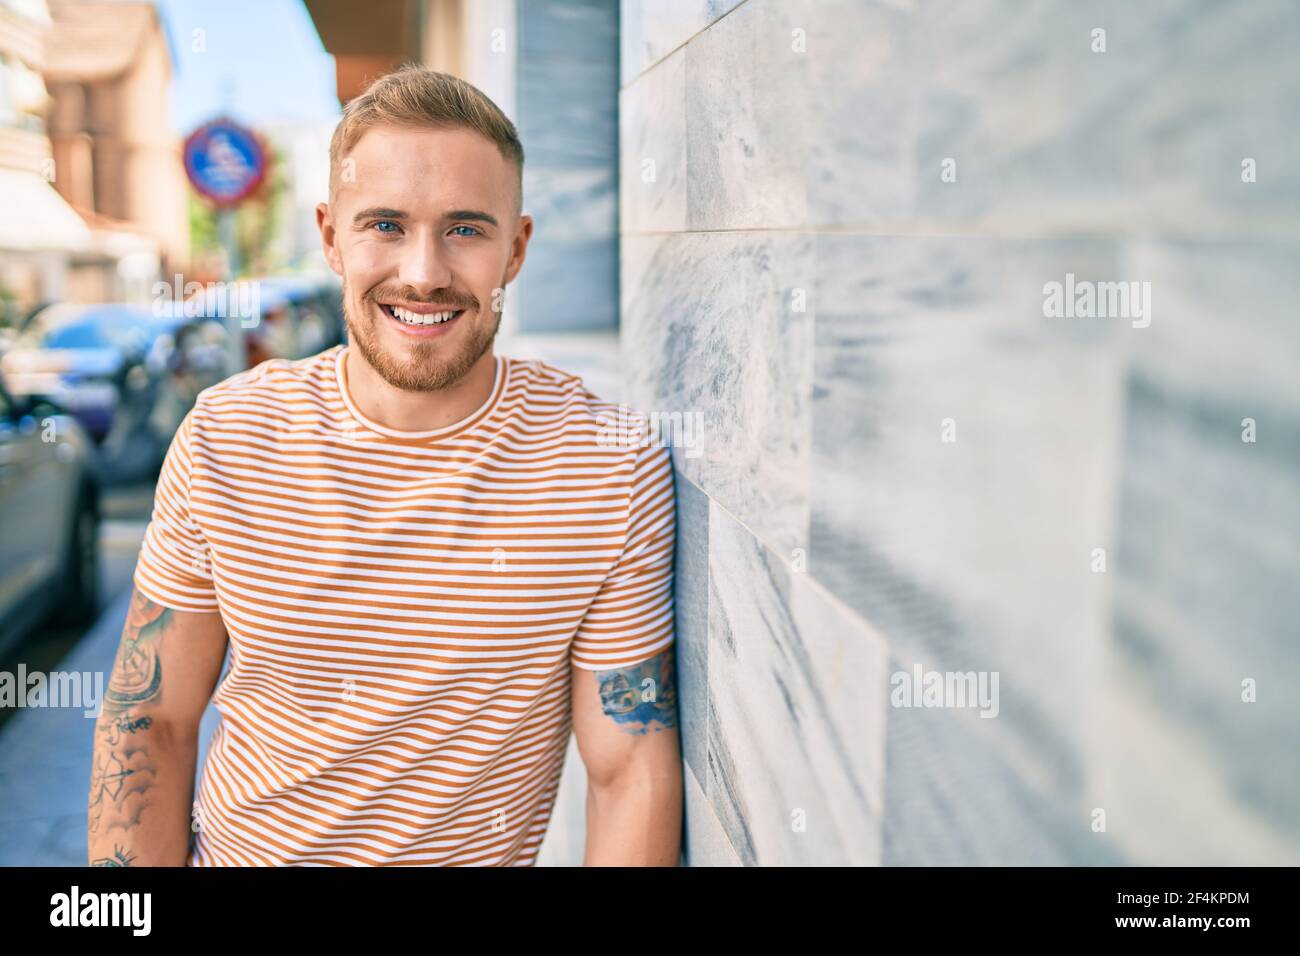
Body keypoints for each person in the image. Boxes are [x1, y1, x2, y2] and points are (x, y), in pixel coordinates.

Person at [86, 66, 681, 867]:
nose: (424, 271)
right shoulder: (230, 436)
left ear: (517, 248)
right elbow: (146, 718)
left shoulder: (606, 466)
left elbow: (628, 767)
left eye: (466, 229)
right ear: (332, 237)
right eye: (387, 226)